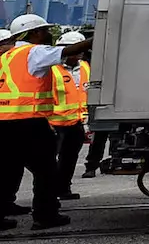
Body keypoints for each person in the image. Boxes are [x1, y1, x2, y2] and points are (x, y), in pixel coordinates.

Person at [0, 14, 70, 229]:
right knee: (46, 171)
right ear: (34, 33)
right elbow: (69, 51)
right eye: (45, 30)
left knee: (6, 171)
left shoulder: (7, 56)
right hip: (30, 124)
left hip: (4, 123)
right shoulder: (34, 52)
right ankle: (45, 215)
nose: (49, 34)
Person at [49, 31, 90, 200]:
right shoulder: (52, 69)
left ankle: (63, 188)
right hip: (55, 123)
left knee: (69, 159)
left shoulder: (85, 67)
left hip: (76, 122)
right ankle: (50, 192)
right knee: (49, 161)